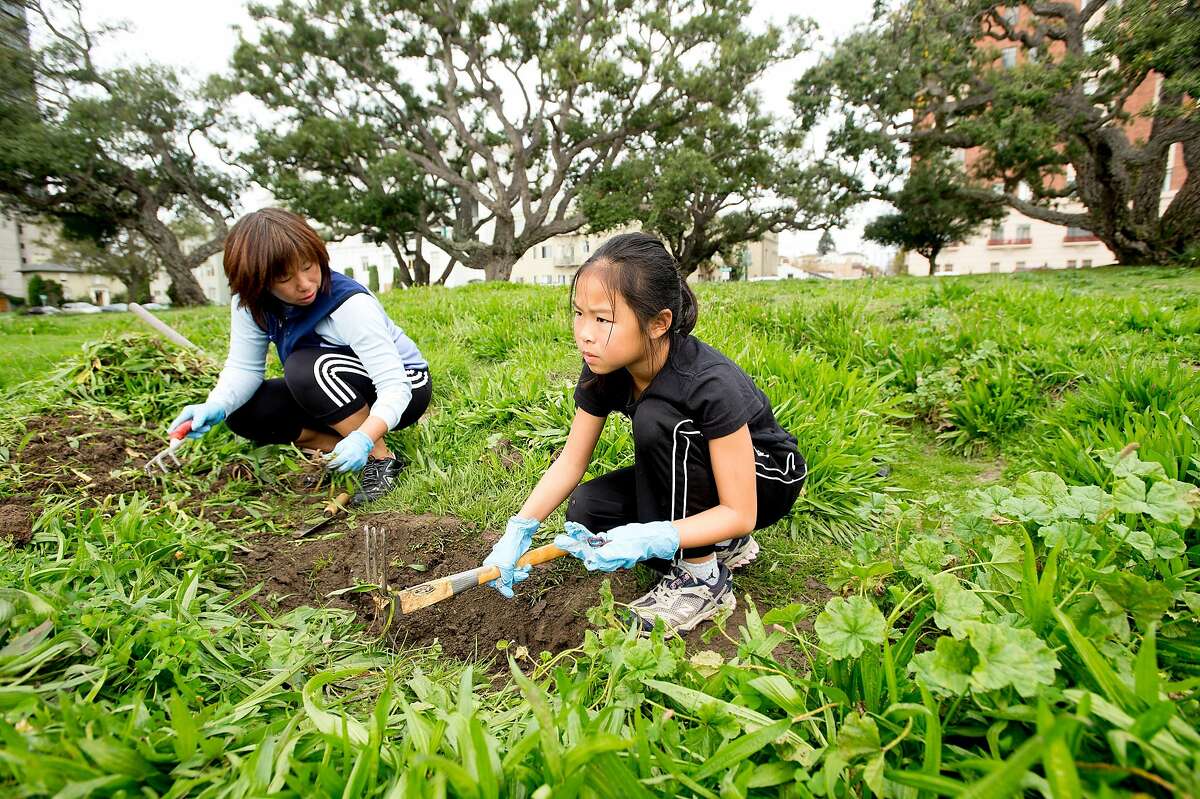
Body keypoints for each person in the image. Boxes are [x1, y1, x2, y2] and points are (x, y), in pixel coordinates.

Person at [483, 232, 806, 633]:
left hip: (765, 480)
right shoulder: (605, 367)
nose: (585, 332)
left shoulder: (707, 383)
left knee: (660, 420)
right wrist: (519, 530)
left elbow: (740, 512)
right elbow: (572, 460)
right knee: (589, 510)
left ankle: (702, 577)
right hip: (701, 471)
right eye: (579, 313)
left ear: (658, 323)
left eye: (602, 319)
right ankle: (721, 544)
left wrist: (655, 535)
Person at [168, 208, 431, 504]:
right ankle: (337, 451)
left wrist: (365, 437)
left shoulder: (349, 303)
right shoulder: (251, 305)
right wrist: (216, 404)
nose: (304, 283)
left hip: (407, 386)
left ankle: (380, 459)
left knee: (304, 368)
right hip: (331, 383)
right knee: (244, 411)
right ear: (259, 281)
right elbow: (244, 368)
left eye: (308, 266)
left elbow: (395, 385)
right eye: (284, 277)